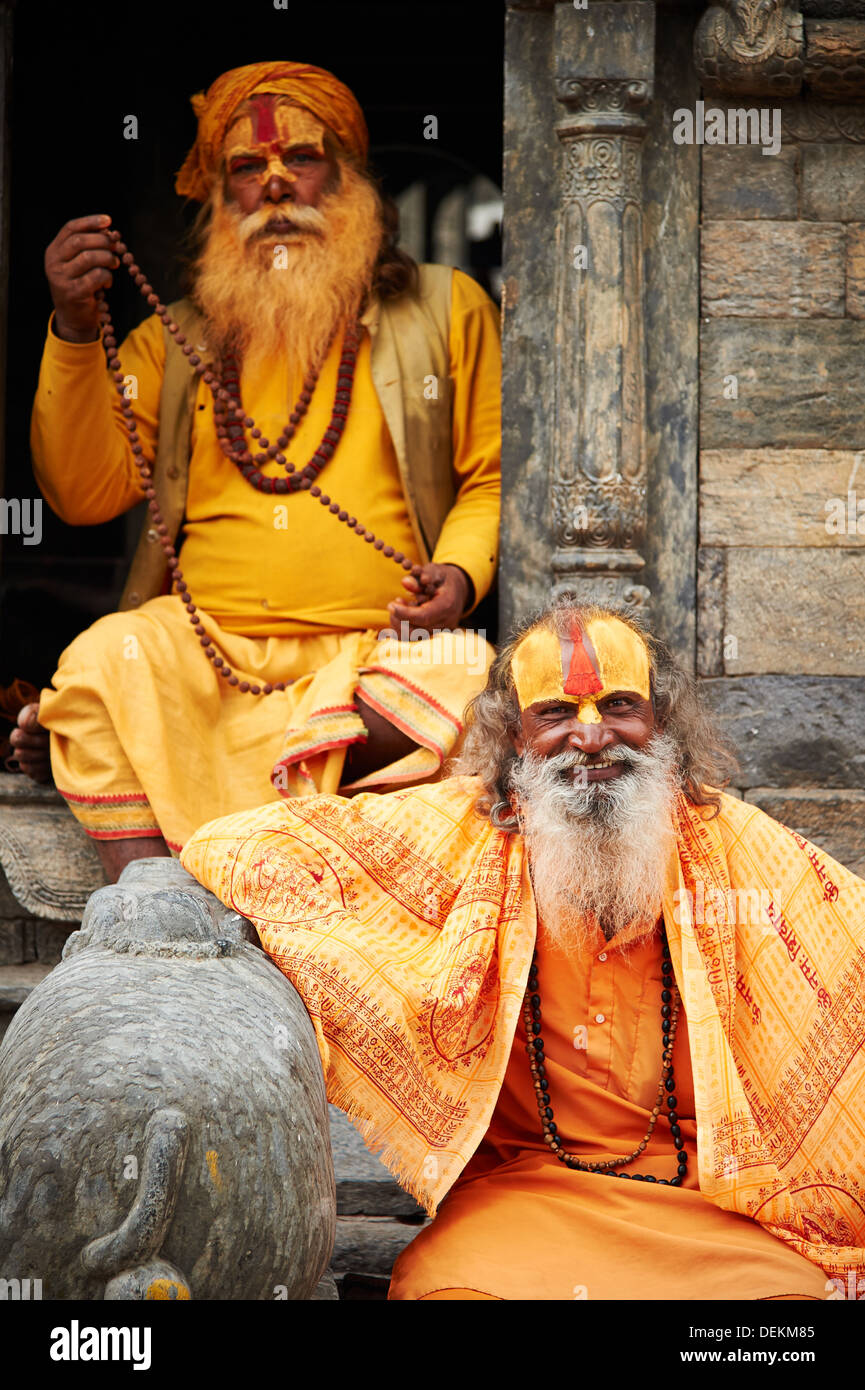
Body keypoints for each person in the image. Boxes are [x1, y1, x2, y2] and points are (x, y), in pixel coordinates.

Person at [181, 600, 865, 1300]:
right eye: (555, 713)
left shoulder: (740, 854)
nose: (592, 736)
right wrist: (382, 971)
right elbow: (232, 846)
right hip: (522, 1199)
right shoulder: (461, 838)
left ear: (662, 725)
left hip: (714, 1209)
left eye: (620, 705)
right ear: (513, 738)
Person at [17, 60, 499, 879]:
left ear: (349, 182)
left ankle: (220, 818)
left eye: (301, 160)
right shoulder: (173, 341)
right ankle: (149, 909)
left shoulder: (446, 309)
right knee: (104, 662)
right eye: (246, 169)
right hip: (206, 655)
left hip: (372, 655)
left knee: (467, 677)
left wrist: (457, 573)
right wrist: (71, 327)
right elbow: (81, 494)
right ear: (219, 198)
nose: (275, 185)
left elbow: (491, 477)